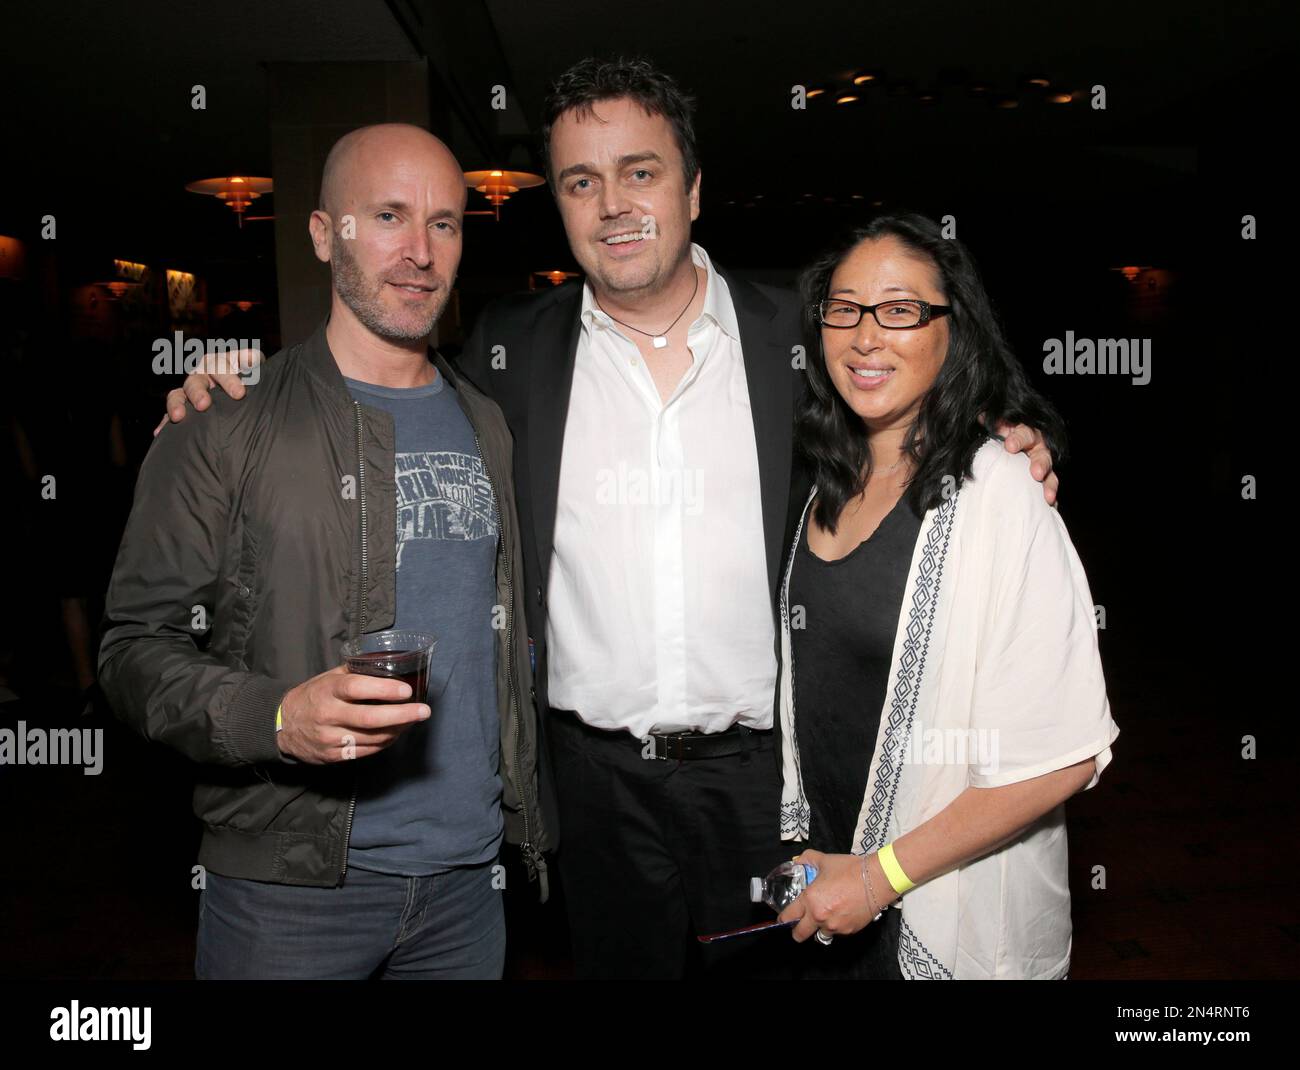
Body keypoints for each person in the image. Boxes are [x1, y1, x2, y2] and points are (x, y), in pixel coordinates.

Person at [159, 58, 1060, 980]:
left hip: (766, 777)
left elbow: (917, 375)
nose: (613, 203)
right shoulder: (511, 351)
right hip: (588, 785)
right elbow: (380, 380)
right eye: (581, 182)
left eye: (641, 171)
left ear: (694, 189)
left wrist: (1002, 430)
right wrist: (233, 387)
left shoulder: (803, 334)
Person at [99, 124, 550, 980]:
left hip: (467, 888)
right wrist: (275, 718)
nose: (419, 251)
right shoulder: (225, 417)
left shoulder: (486, 420)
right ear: (321, 234)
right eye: (387, 215)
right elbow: (131, 650)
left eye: (445, 223)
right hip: (291, 895)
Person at [775, 213, 1119, 979]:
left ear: (951, 328)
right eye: (845, 307)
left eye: (900, 310)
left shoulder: (1001, 491)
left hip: (928, 902)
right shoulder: (822, 480)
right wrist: (846, 876)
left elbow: (1058, 755)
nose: (866, 336)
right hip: (829, 887)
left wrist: (879, 877)